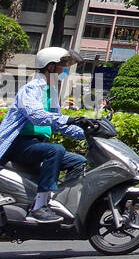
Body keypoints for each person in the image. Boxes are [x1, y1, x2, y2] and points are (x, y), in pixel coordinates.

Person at [0, 47, 88, 223]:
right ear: (50, 67)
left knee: (79, 162)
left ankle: (54, 200)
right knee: (55, 150)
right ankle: (38, 208)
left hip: (34, 145)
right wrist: (69, 118)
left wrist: (88, 134)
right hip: (17, 143)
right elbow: (36, 115)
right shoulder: (31, 89)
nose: (64, 70)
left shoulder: (51, 92)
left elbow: (58, 123)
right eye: (62, 65)